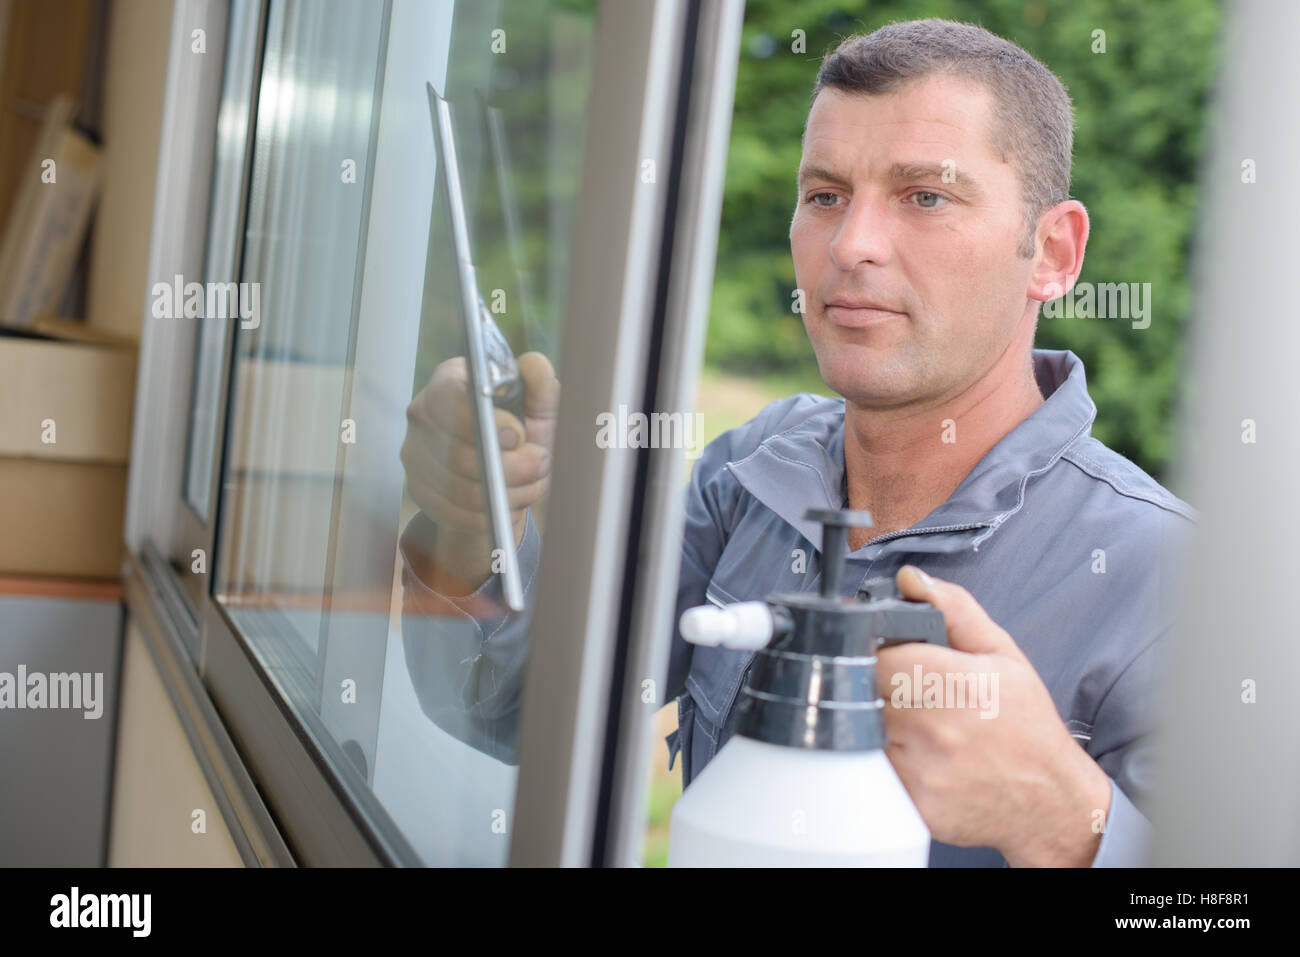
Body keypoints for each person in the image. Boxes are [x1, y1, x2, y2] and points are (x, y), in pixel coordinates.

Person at [397, 18, 1197, 867]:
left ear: (1054, 251)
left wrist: (1072, 820)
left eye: (926, 195)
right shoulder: (757, 470)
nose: (851, 245)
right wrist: (470, 527)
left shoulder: (1179, 583)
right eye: (824, 196)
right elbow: (515, 708)